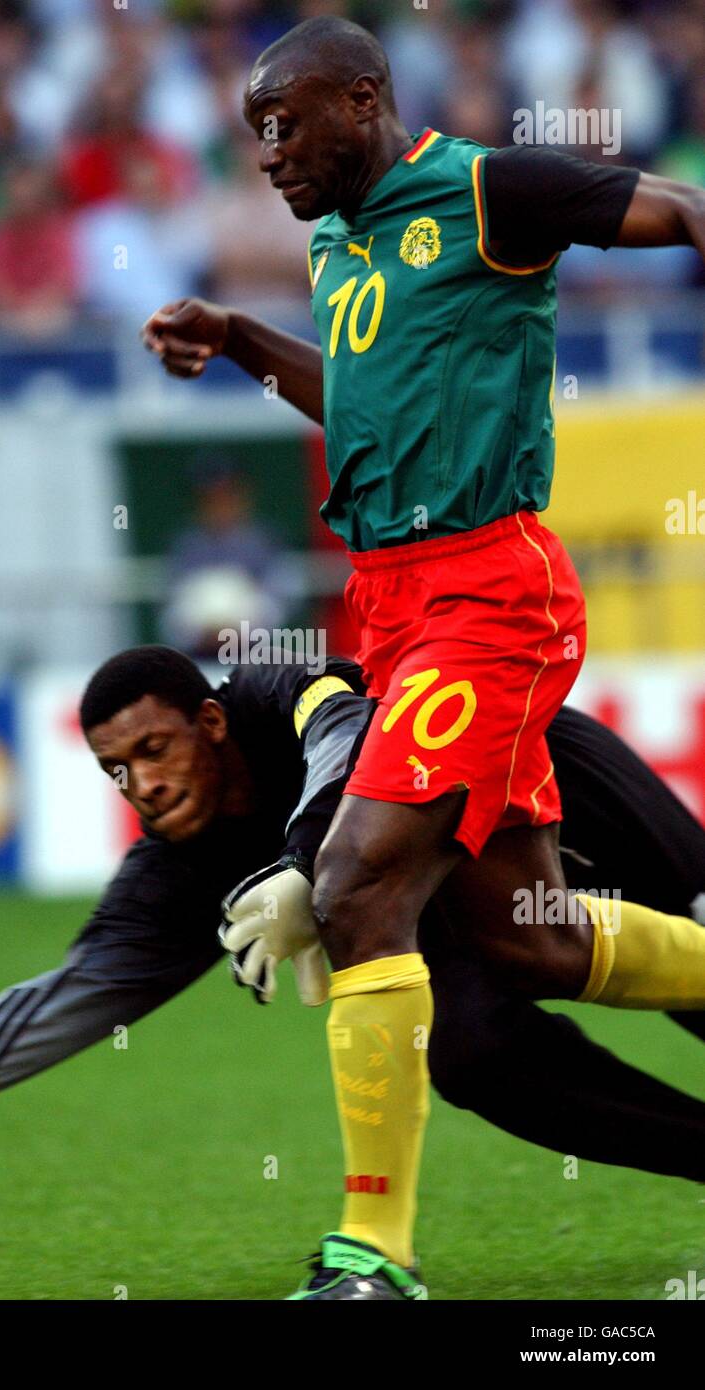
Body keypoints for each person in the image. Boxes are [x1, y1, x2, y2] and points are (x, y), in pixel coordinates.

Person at [141, 15, 705, 1298]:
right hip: (393, 603)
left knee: (350, 893)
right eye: (253, 134)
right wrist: (237, 338)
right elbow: (362, 401)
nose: (269, 155)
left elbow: (675, 206)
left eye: (286, 123)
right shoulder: (341, 247)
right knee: (527, 936)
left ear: (362, 98)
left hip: (483, 591)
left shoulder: (487, 189)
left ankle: (371, 1259)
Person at [0, 647, 705, 1300]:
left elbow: (355, 733)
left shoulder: (268, 695)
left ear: (209, 726)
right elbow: (82, 989)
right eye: (116, 770)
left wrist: (304, 863)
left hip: (545, 779)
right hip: (446, 896)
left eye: (153, 749)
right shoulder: (176, 870)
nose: (140, 784)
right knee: (476, 1054)